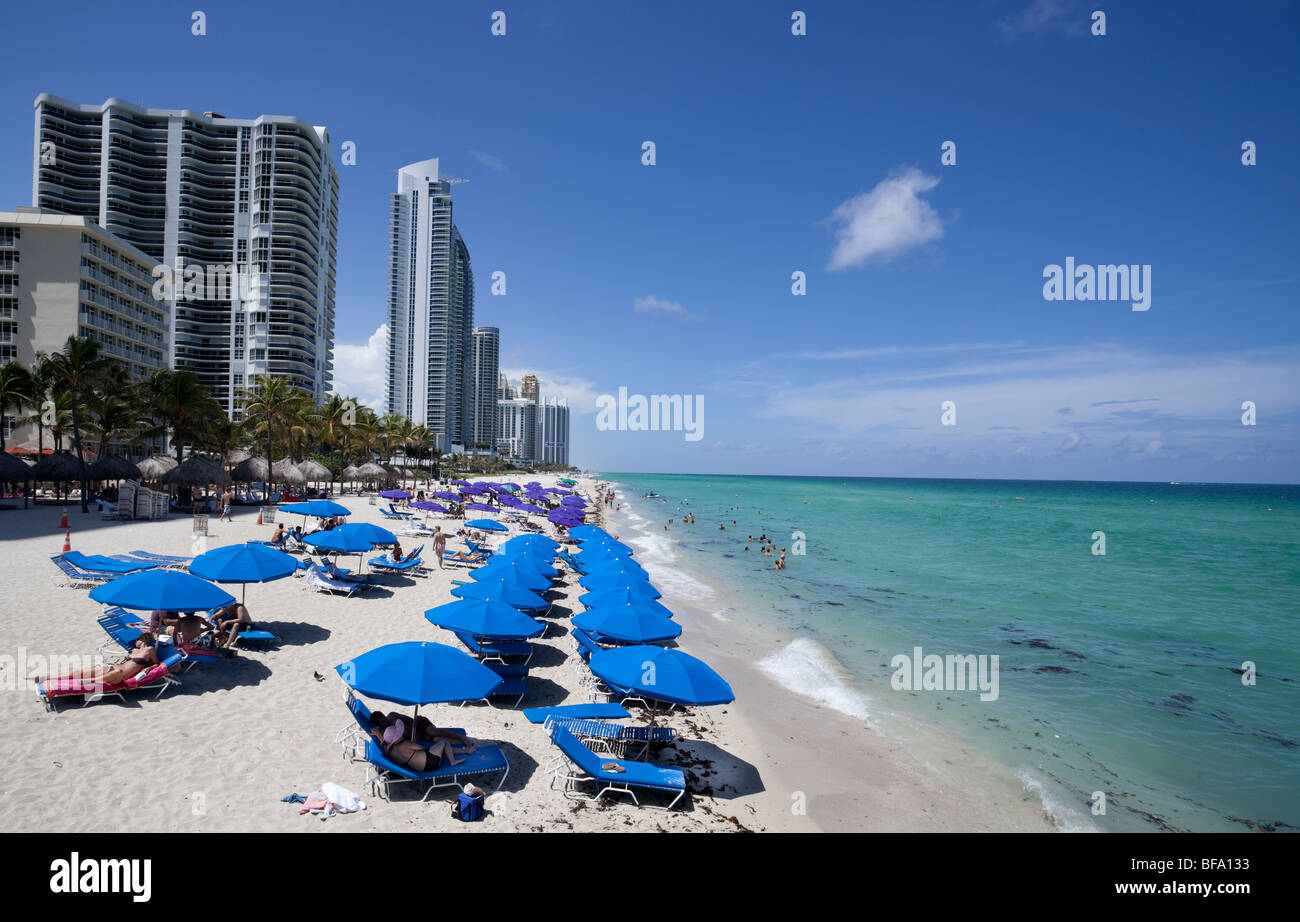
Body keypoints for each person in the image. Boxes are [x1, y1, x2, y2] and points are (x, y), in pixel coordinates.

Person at [36, 634, 160, 685]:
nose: (135, 642)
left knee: (116, 672)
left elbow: (157, 664)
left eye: (137, 640)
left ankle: (88, 682)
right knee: (78, 672)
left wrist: (150, 668)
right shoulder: (133, 651)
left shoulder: (150, 650)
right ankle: (47, 677)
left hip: (120, 675)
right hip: (111, 669)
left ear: (142, 639)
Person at [368, 713, 470, 772]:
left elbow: (410, 720)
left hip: (418, 726)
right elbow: (385, 744)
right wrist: (378, 734)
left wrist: (416, 728)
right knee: (437, 740)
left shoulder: (392, 716)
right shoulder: (385, 733)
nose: (385, 721)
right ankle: (463, 747)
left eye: (384, 718)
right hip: (419, 740)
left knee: (432, 732)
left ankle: (461, 737)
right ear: (379, 724)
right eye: (382, 722)